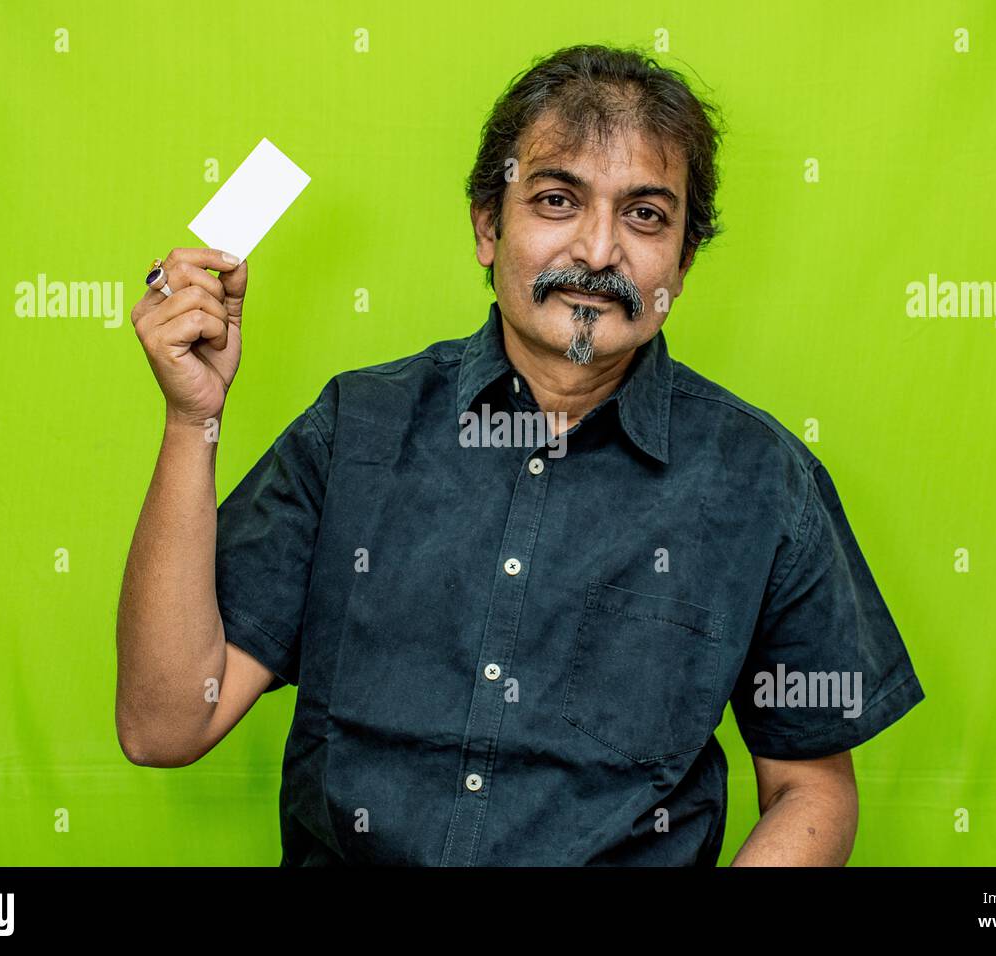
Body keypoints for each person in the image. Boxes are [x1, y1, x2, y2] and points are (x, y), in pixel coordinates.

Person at [116, 43, 925, 866]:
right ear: (485, 226)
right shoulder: (355, 432)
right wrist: (192, 421)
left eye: (645, 215)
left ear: (682, 261)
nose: (599, 251)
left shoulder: (762, 482)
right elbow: (165, 723)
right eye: (556, 200)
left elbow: (812, 788)